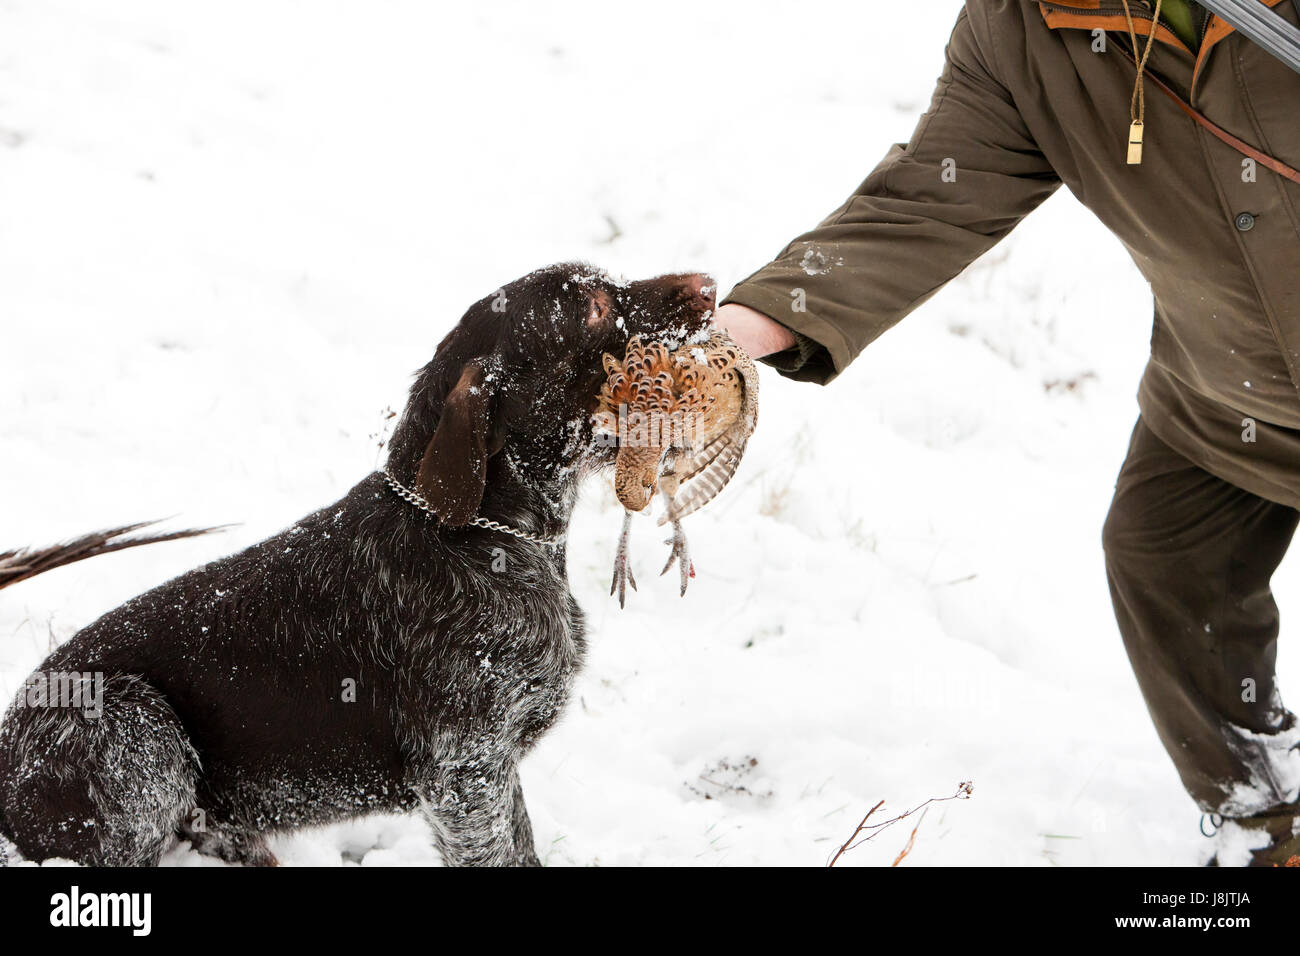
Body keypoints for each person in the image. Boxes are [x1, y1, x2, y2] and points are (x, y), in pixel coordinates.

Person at [714, 0, 1300, 866]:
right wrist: (750, 323)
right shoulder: (1025, 30)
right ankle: (1266, 811)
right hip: (1226, 394)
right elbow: (929, 199)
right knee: (1165, 559)